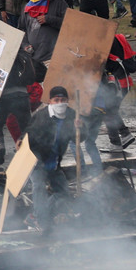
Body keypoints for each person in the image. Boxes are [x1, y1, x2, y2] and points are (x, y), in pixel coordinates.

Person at [25, 85, 77, 231]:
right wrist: (22, 142)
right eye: (56, 100)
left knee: (64, 193)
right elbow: (28, 134)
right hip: (37, 162)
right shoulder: (41, 116)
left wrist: (80, 128)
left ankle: (35, 215)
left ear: (67, 101)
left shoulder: (72, 115)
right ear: (50, 101)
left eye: (63, 99)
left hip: (54, 163)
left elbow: (80, 138)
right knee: (39, 187)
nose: (60, 103)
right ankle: (41, 221)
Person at [18, 0, 67, 75]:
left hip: (52, 58)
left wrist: (49, 19)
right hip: (33, 59)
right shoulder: (28, 6)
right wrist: (25, 45)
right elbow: (21, 29)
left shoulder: (59, 3)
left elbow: (70, 25)